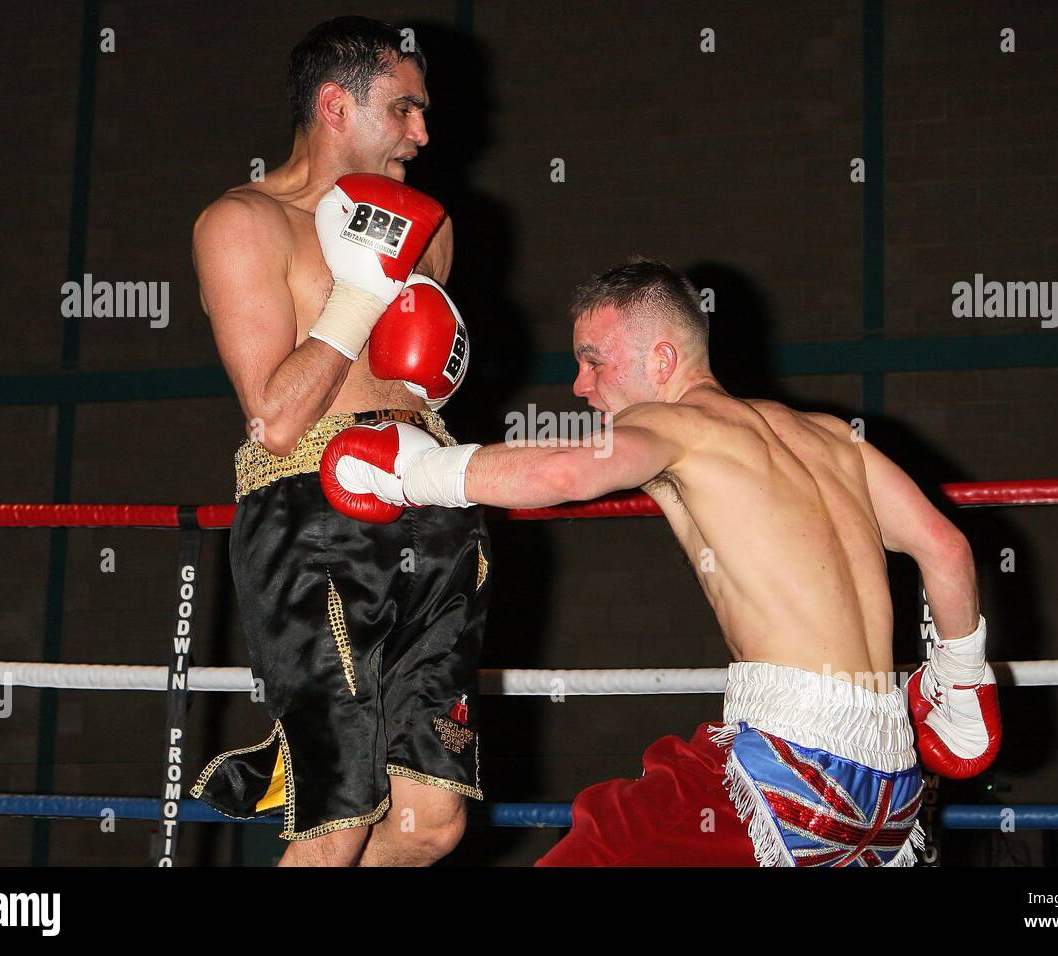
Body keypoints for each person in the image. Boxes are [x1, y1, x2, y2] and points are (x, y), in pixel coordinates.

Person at [324, 258, 1001, 866]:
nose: (580, 384)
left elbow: (563, 472)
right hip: (892, 798)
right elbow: (946, 549)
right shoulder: (831, 439)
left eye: (594, 359)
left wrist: (412, 471)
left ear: (663, 359)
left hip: (790, 773)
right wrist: (961, 678)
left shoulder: (680, 427)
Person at [189, 16, 489, 868]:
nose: (423, 134)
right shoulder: (244, 221)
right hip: (312, 510)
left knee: (431, 824)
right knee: (340, 817)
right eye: (404, 110)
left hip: (430, 502)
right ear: (334, 105)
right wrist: (360, 294)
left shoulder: (431, 229)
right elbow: (276, 416)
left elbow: (414, 383)